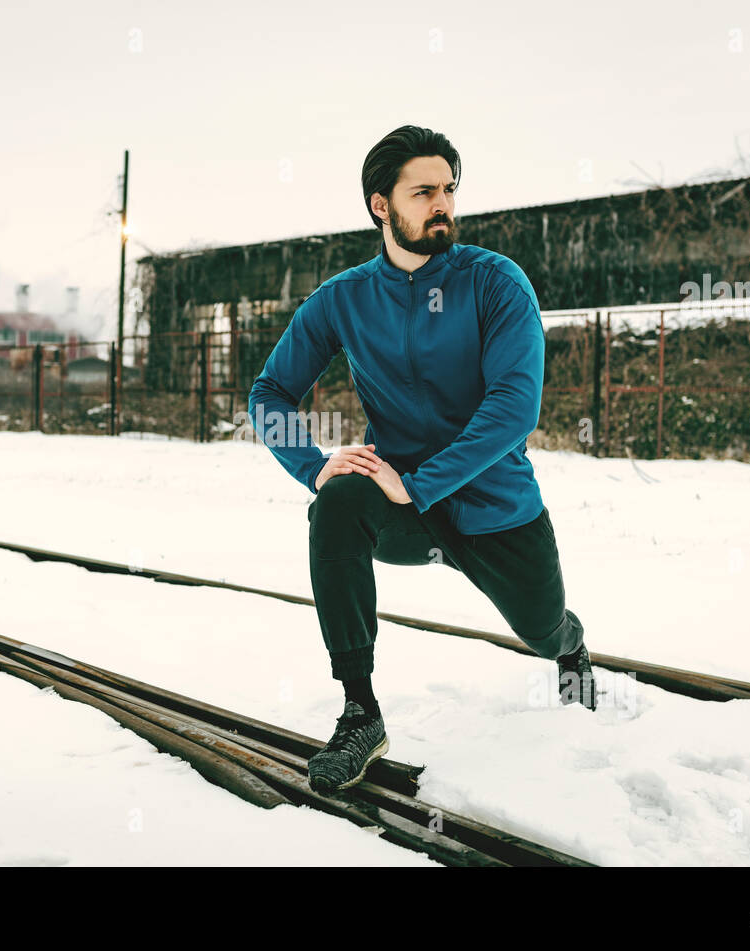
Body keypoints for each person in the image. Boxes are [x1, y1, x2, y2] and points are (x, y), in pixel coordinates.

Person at [248, 125, 596, 795]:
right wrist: (312, 463)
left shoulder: (495, 282)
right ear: (382, 205)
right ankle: (359, 712)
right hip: (401, 506)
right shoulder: (344, 298)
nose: (444, 204)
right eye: (425, 191)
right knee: (339, 504)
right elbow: (269, 392)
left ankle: (572, 644)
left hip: (495, 507)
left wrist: (422, 483)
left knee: (542, 629)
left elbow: (513, 407)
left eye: (449, 190)